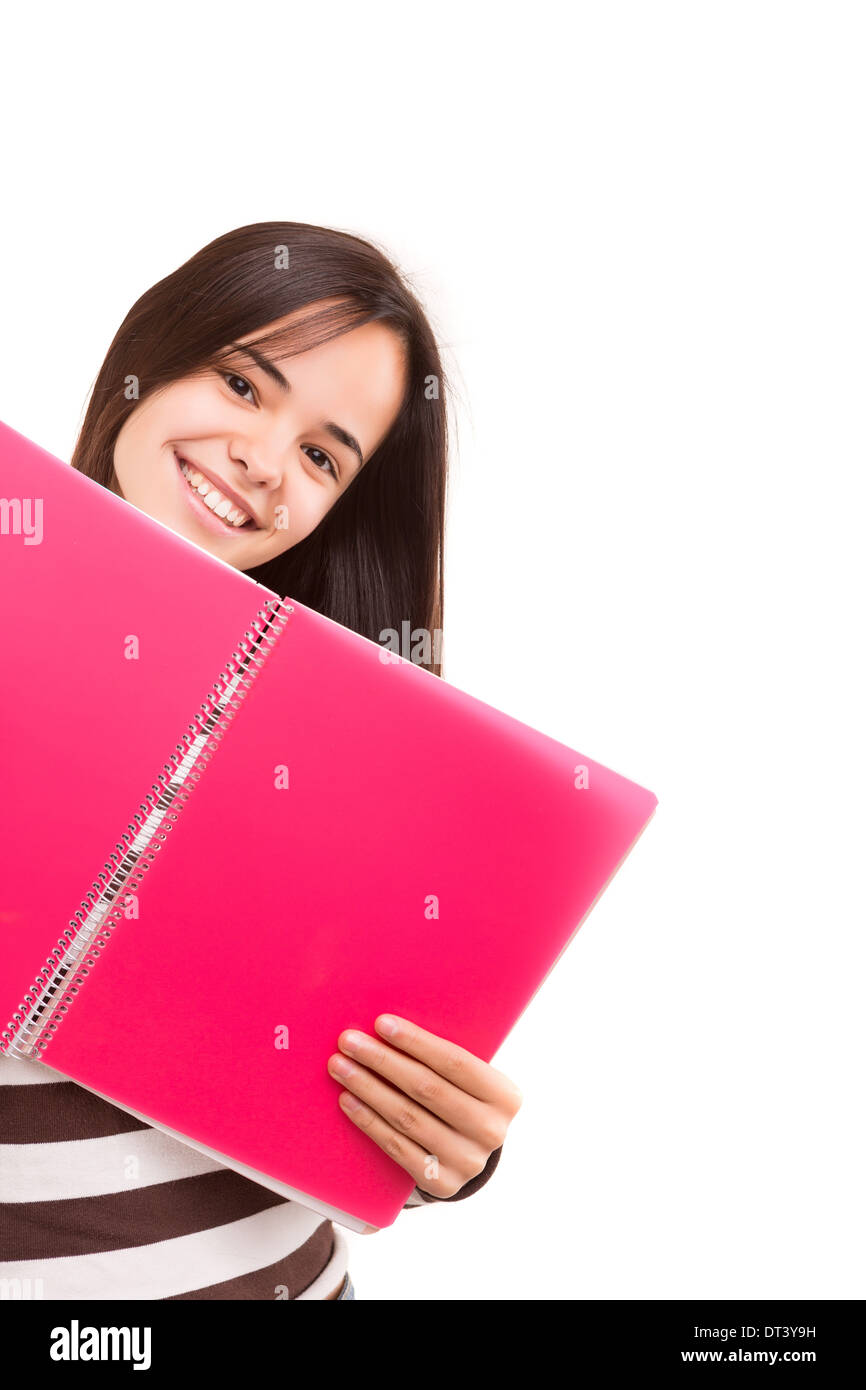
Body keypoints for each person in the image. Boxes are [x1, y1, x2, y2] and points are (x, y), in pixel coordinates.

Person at [0, 222, 522, 1301]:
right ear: (155, 351)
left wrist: (440, 1150)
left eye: (322, 453)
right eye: (242, 385)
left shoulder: (336, 753)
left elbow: (330, 1069)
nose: (259, 460)